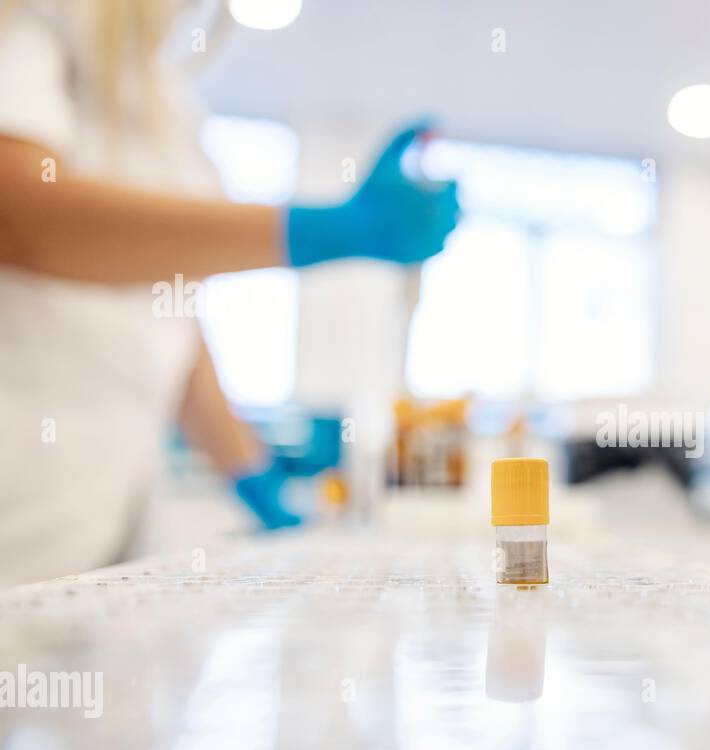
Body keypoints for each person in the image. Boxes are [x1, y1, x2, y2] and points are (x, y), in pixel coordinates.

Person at [0, 0, 459, 586]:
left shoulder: (167, 101)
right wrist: (318, 230)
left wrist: (255, 482)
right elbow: (17, 218)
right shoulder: (35, 17)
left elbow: (163, 322)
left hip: (101, 524)